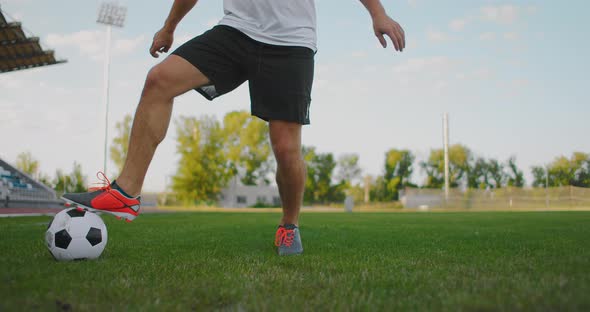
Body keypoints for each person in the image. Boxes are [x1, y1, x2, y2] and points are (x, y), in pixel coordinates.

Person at [62, 0, 405, 256]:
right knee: (160, 79)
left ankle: (289, 225)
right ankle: (126, 192)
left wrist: (377, 13)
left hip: (291, 44)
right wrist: (169, 26)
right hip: (236, 32)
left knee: (286, 149)